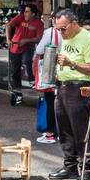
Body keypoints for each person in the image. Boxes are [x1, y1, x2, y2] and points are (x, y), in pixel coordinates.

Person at [49, 9, 90, 180]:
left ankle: (86, 168)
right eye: (58, 29)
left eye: (63, 29)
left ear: (74, 23)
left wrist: (72, 64)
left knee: (80, 130)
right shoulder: (66, 37)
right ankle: (70, 166)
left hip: (79, 87)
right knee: (64, 128)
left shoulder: (88, 38)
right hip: (62, 85)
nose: (61, 33)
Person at [32, 15, 61, 145]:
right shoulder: (73, 33)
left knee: (50, 102)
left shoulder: (51, 32)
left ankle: (50, 134)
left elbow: (39, 50)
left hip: (50, 71)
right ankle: (62, 133)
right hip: (66, 72)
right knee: (63, 104)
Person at [7, 4, 42, 105]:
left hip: (28, 46)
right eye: (25, 11)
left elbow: (38, 38)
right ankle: (17, 94)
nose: (25, 13)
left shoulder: (38, 23)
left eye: (27, 11)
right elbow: (8, 26)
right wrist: (8, 39)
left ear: (33, 14)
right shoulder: (20, 17)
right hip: (15, 46)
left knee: (28, 60)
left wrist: (26, 40)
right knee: (14, 71)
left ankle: (32, 80)